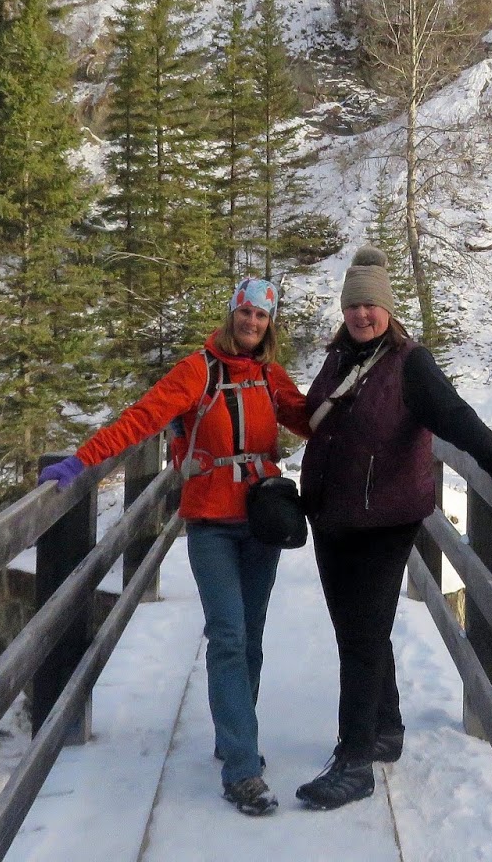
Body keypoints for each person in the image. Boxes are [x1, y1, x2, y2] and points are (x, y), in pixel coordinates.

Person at [38, 278, 309, 817]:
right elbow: (142, 419)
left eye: (262, 317)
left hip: (262, 522)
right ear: (232, 313)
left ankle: (235, 736)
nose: (252, 323)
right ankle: (242, 770)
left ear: (269, 325)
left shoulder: (270, 377)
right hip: (210, 523)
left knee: (250, 637)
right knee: (228, 635)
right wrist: (80, 461)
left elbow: (313, 420)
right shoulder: (197, 371)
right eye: (245, 312)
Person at [294, 246, 492, 811]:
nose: (362, 315)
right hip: (333, 518)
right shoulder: (336, 358)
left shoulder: (410, 363)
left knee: (361, 635)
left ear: (388, 308)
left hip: (386, 521)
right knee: (357, 630)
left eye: (371, 306)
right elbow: (312, 419)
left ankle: (354, 761)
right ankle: (385, 727)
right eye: (354, 306)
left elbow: (456, 416)